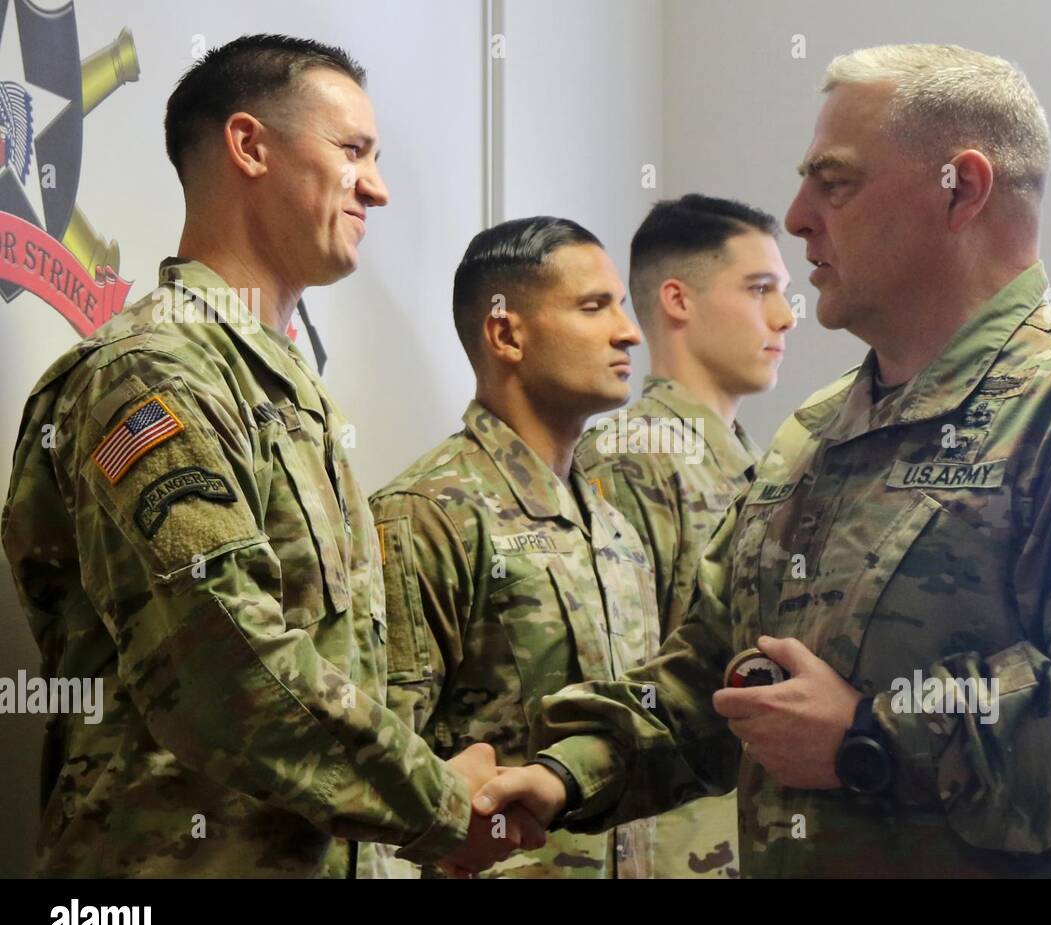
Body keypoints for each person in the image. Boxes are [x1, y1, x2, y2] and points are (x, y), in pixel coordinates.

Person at [474, 44, 1051, 878]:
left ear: (962, 189)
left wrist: (872, 736)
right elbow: (714, 676)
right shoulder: (812, 437)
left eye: (834, 182)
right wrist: (560, 776)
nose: (798, 215)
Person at [1, 34, 539, 877]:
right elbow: (225, 668)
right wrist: (436, 802)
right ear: (250, 146)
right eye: (352, 151)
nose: (377, 187)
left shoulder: (288, 392)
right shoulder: (153, 373)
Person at [370, 216, 661, 877]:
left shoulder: (612, 525)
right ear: (506, 334)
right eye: (594, 306)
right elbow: (378, 768)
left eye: (621, 305)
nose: (629, 332)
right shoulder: (427, 512)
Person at [574, 194, 793, 877]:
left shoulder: (763, 468)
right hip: (669, 847)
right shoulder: (629, 458)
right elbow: (630, 693)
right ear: (678, 299)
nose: (785, 316)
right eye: (759, 289)